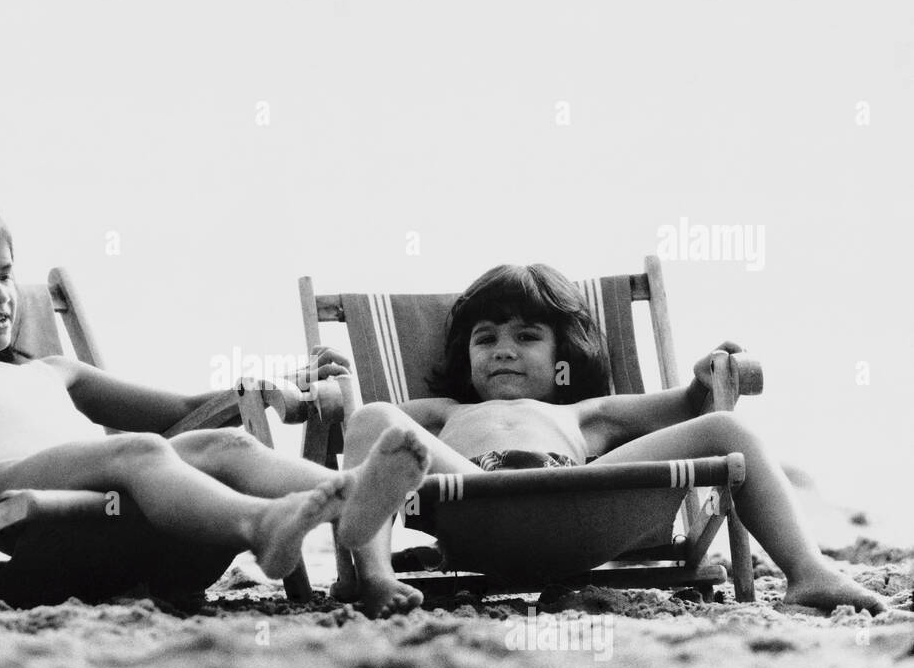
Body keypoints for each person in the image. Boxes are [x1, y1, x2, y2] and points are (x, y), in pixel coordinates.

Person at [0, 182, 429, 612]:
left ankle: (354, 524)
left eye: (3, 274)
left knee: (222, 440)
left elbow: (184, 410)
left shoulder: (51, 369)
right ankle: (262, 525)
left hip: (142, 531)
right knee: (139, 452)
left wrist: (274, 382)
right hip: (34, 519)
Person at [334, 263, 888, 616]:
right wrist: (342, 387)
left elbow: (684, 410)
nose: (503, 349)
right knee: (375, 416)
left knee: (729, 429)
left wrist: (702, 378)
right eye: (487, 339)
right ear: (466, 357)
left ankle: (809, 573)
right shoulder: (442, 412)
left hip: (577, 504)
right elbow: (367, 433)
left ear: (563, 362)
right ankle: (376, 577)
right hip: (475, 502)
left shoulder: (586, 412)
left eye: (527, 337)